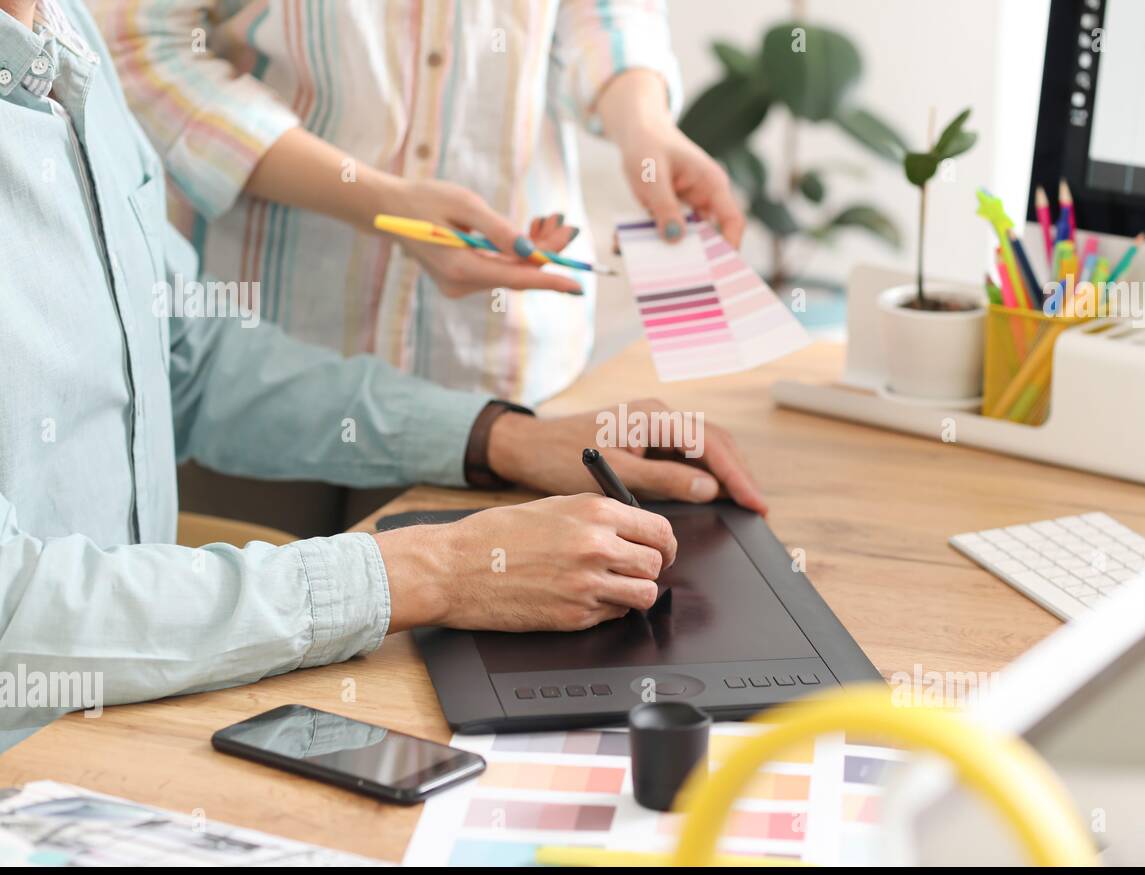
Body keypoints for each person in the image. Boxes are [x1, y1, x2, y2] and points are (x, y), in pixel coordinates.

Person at [0, 0, 764, 749]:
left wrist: (499, 439)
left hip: (114, 735)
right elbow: (14, 619)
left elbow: (184, 356)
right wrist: (433, 571)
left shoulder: (65, 44)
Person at [87, 0, 746, 404]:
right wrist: (377, 200)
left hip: (501, 363)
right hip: (265, 362)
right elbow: (136, 44)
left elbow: (603, 7)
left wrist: (644, 127)